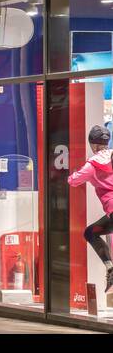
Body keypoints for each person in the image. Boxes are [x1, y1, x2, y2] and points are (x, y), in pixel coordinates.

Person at [68, 124, 113, 292]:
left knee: (90, 233)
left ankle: (109, 266)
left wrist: (73, 173)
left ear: (93, 144)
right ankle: (110, 269)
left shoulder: (92, 165)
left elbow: (73, 181)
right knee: (90, 232)